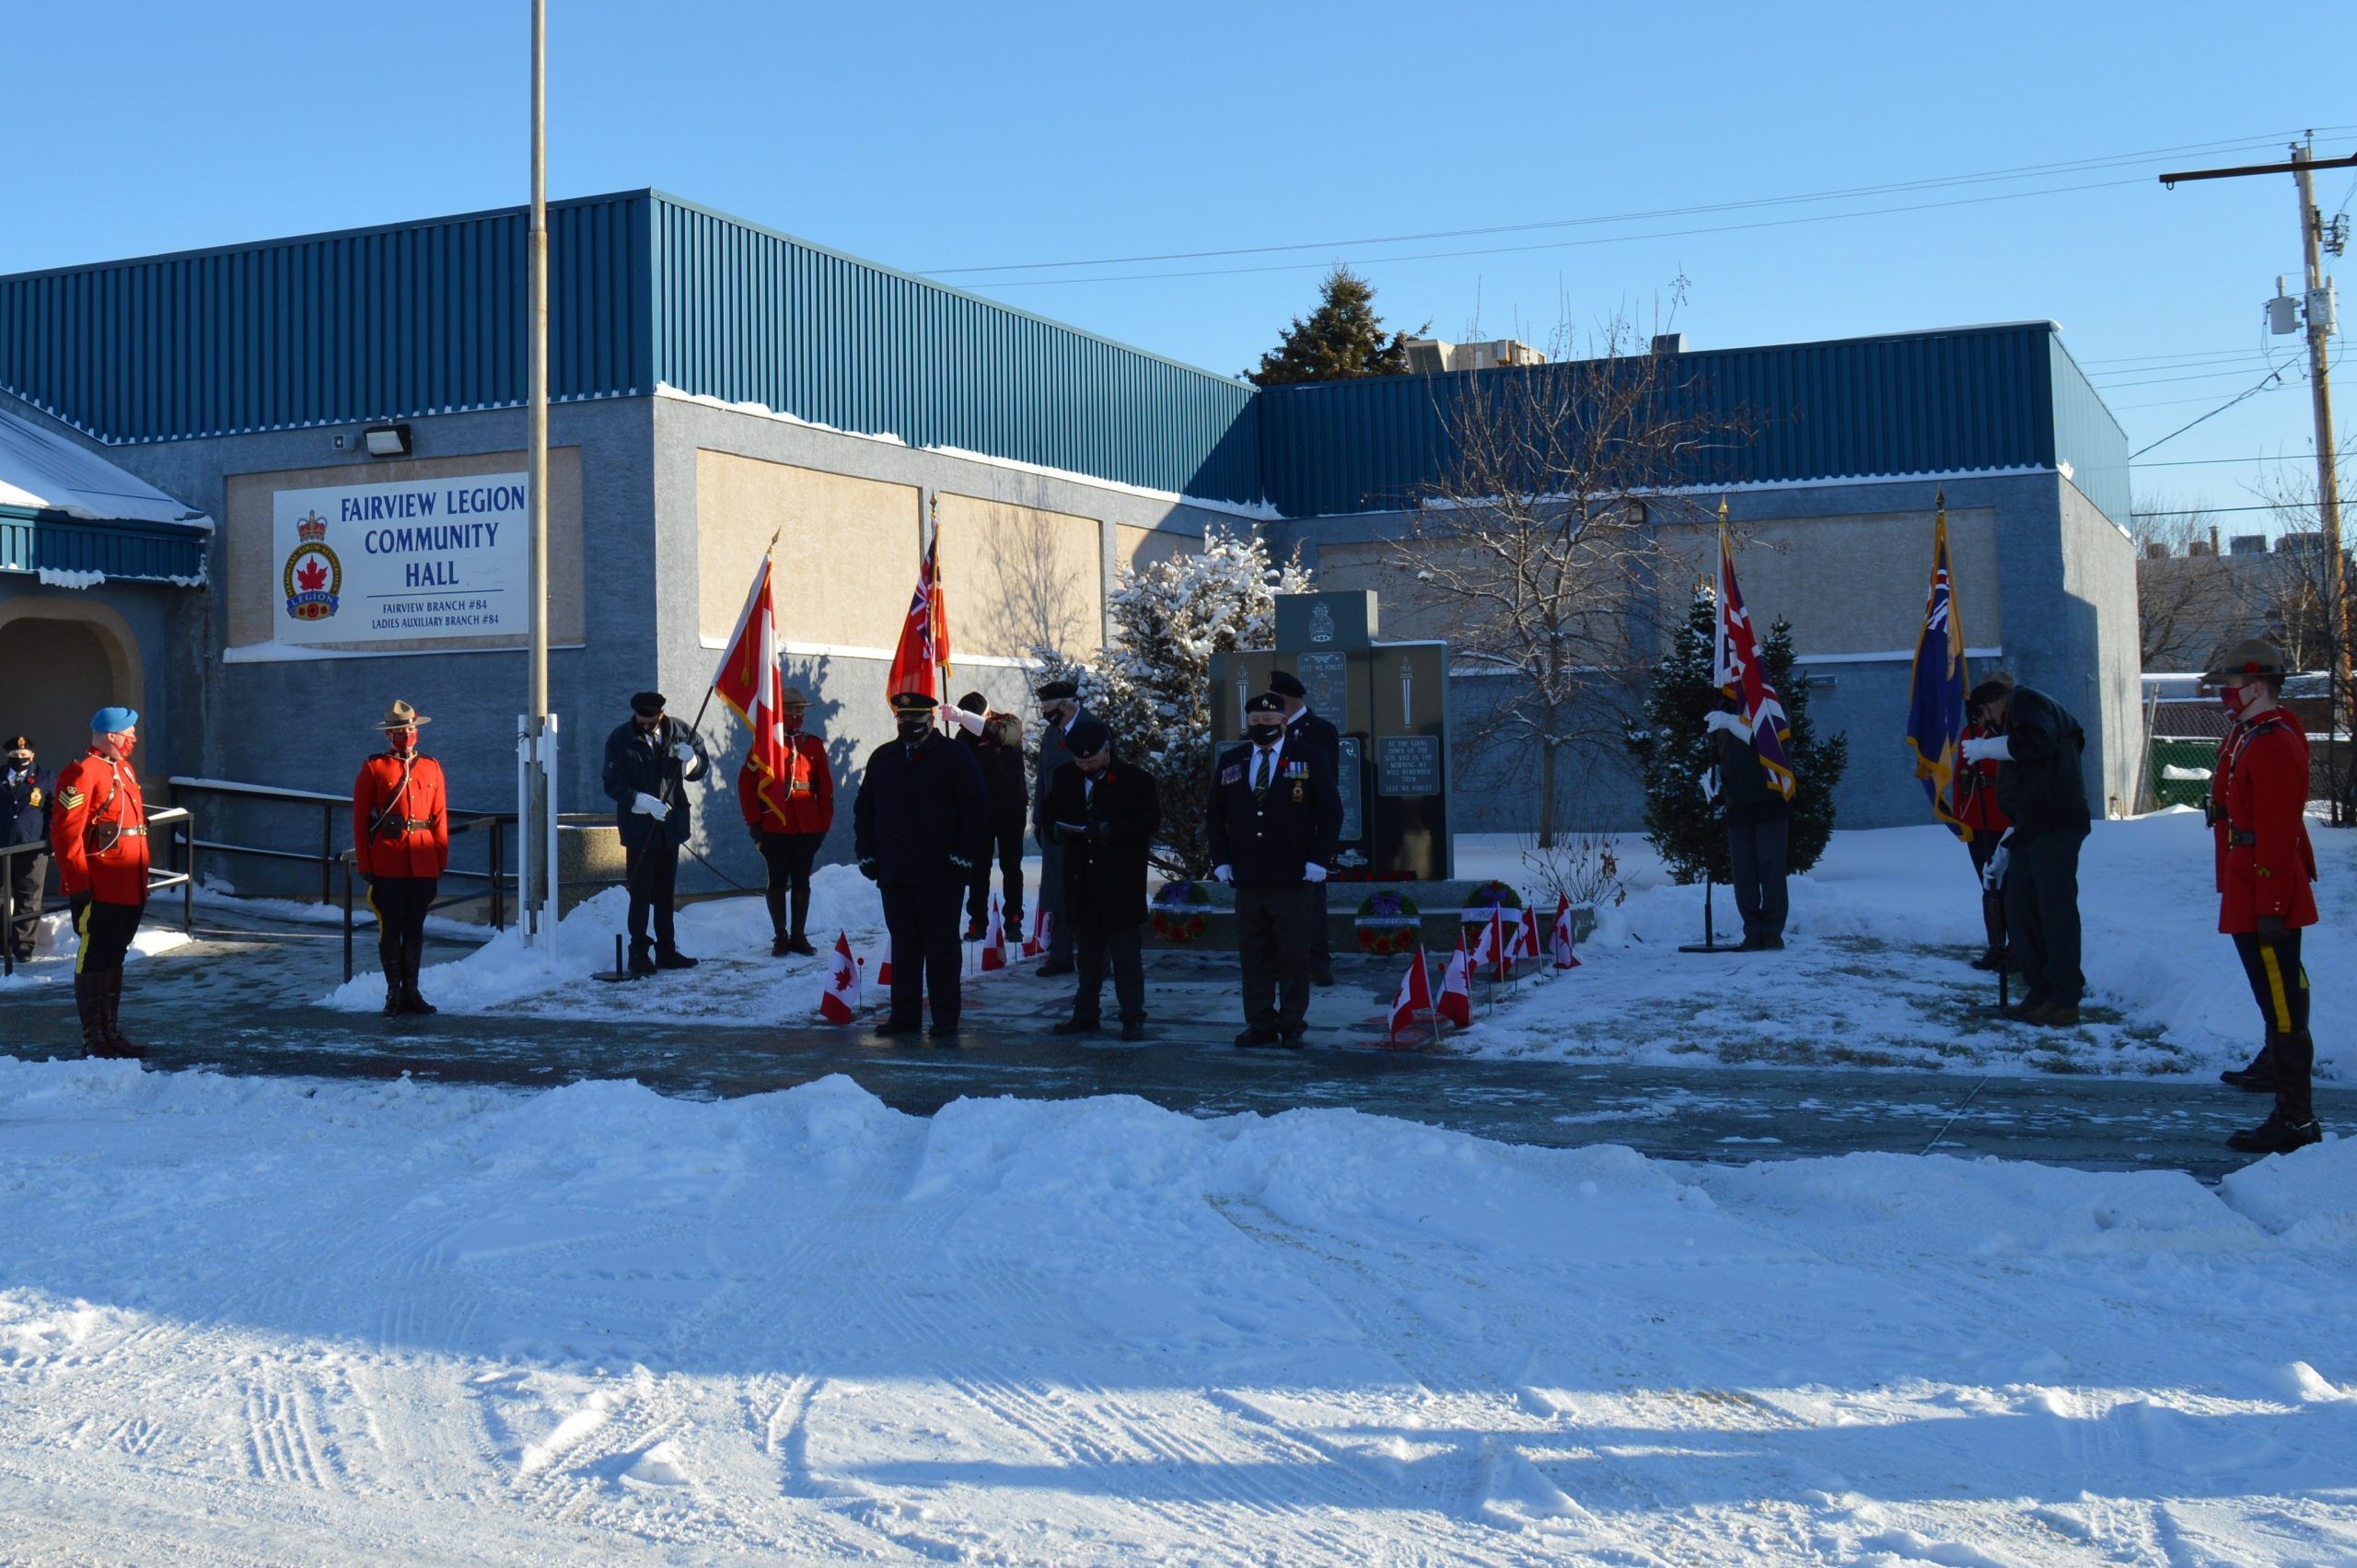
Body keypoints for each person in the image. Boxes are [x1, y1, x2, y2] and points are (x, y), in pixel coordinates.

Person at [2203, 638, 2326, 1154]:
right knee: (2280, 996)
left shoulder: (2272, 742)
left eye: (2230, 687)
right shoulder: (2254, 733)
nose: (2226, 696)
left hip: (2265, 888)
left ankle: (2295, 1120)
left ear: (2255, 687)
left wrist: (2272, 907)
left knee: (2281, 1005)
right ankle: (2281, 1085)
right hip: (2250, 881)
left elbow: (2276, 831)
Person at [1208, 692, 1341, 1049]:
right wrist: (1221, 860)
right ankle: (1260, 1022)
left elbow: (1330, 811)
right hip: (1248, 876)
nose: (1262, 727)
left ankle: (1293, 1023)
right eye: (1255, 721)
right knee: (1254, 955)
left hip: (1294, 875)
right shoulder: (1233, 760)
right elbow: (1215, 816)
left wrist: (1319, 860)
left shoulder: (1309, 757)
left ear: (1283, 722)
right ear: (1247, 723)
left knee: (1293, 955)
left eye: (1269, 721)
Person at [853, 690, 989, 1040]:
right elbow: (865, 808)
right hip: (896, 870)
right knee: (905, 945)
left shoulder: (954, 755)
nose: (908, 725)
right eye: (902, 719)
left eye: (915, 719)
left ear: (931, 720)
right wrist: (866, 851)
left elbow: (976, 809)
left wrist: (964, 854)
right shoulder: (883, 758)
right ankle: (904, 1016)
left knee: (941, 948)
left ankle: (945, 1020)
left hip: (941, 872)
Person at [1963, 675, 2090, 1028]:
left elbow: (2037, 744)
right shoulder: (2019, 716)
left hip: (2055, 822)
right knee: (2020, 908)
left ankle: (2064, 998)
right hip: (2029, 826)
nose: (1988, 727)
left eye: (1985, 715)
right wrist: (2006, 844)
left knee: (2053, 910)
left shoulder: (2026, 701)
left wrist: (1988, 748)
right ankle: (2039, 992)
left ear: (1993, 703)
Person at [1042, 717, 1161, 1041]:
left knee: (1125, 956)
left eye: (1091, 760)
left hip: (1119, 883)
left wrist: (1111, 830)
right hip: (1082, 881)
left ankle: (1132, 1017)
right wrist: (1056, 829)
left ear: (1106, 751)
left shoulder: (1136, 781)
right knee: (1089, 956)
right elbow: (1049, 812)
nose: (1085, 766)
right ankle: (1085, 1013)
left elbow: (1148, 822)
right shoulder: (1067, 777)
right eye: (1079, 760)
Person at [51, 707, 149, 1058]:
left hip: (128, 882)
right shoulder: (83, 771)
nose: (134, 738)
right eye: (129, 733)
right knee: (94, 958)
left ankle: (111, 1032)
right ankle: (93, 1038)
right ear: (111, 735)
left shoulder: (122, 768)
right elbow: (66, 836)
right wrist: (79, 885)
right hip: (102, 884)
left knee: (115, 956)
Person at [351, 700, 451, 1016]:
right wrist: (366, 865)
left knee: (416, 928)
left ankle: (412, 991)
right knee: (391, 927)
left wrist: (439, 859)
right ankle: (393, 993)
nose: (405, 735)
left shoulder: (431, 767)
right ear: (389, 735)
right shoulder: (374, 767)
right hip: (388, 860)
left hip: (422, 861)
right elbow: (359, 820)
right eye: (399, 731)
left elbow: (439, 817)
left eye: (409, 729)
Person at [601, 691, 710, 976]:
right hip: (640, 830)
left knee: (665, 893)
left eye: (652, 720)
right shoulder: (620, 739)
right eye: (642, 720)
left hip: (670, 826)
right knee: (640, 893)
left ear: (661, 714)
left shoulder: (680, 731)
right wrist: (641, 801)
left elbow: (701, 764)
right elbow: (612, 783)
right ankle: (639, 952)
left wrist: (692, 761)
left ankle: (666, 950)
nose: (647, 724)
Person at [740, 684, 832, 957]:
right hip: (774, 825)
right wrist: (753, 820)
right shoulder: (764, 745)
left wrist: (823, 824)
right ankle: (780, 936)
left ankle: (799, 936)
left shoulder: (813, 744)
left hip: (807, 825)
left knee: (802, 881)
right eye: (790, 710)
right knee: (777, 881)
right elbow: (746, 784)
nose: (796, 714)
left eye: (799, 710)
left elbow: (825, 788)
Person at [1270, 669, 1342, 984]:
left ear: (1286, 699)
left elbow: (1326, 786)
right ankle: (1279, 959)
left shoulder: (1318, 731)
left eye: (1276, 701)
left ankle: (1317, 960)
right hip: (1271, 829)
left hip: (1305, 829)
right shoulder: (1269, 731)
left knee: (1311, 899)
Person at [1704, 697, 1789, 950]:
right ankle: (1752, 930)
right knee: (1743, 872)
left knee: (1771, 868)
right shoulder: (1723, 705)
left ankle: (1772, 931)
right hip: (1736, 800)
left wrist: (1731, 723)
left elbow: (1769, 742)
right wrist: (1712, 775)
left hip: (1769, 797)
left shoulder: (1767, 699)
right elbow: (1716, 751)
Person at [946, 691, 1028, 941]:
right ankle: (977, 922)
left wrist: (966, 718)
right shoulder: (964, 736)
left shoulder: (1009, 723)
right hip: (980, 813)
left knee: (1011, 867)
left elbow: (1000, 735)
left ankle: (1013, 920)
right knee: (979, 870)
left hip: (1011, 811)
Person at [1030, 678, 1096, 976]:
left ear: (1069, 705)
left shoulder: (1092, 729)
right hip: (1055, 825)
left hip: (1082, 826)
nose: (1046, 712)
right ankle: (1060, 955)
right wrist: (1039, 819)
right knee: (1058, 892)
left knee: (1087, 893)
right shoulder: (1050, 733)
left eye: (1050, 707)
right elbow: (1043, 781)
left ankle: (1096, 956)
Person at [1953, 680, 2014, 971]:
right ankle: (1996, 946)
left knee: (2011, 887)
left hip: (2003, 814)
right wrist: (1958, 815)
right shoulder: (1969, 732)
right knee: (1988, 884)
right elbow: (1960, 775)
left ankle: (2017, 948)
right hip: (1976, 815)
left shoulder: (2007, 731)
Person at [2, 735, 47, 965]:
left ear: (32, 756)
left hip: (32, 848)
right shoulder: (0, 776)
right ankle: (3, 944)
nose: (19, 758)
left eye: (23, 755)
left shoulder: (45, 777)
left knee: (28, 898)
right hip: (2, 848)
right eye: (14, 756)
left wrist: (50, 842)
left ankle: (24, 947)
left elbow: (53, 811)